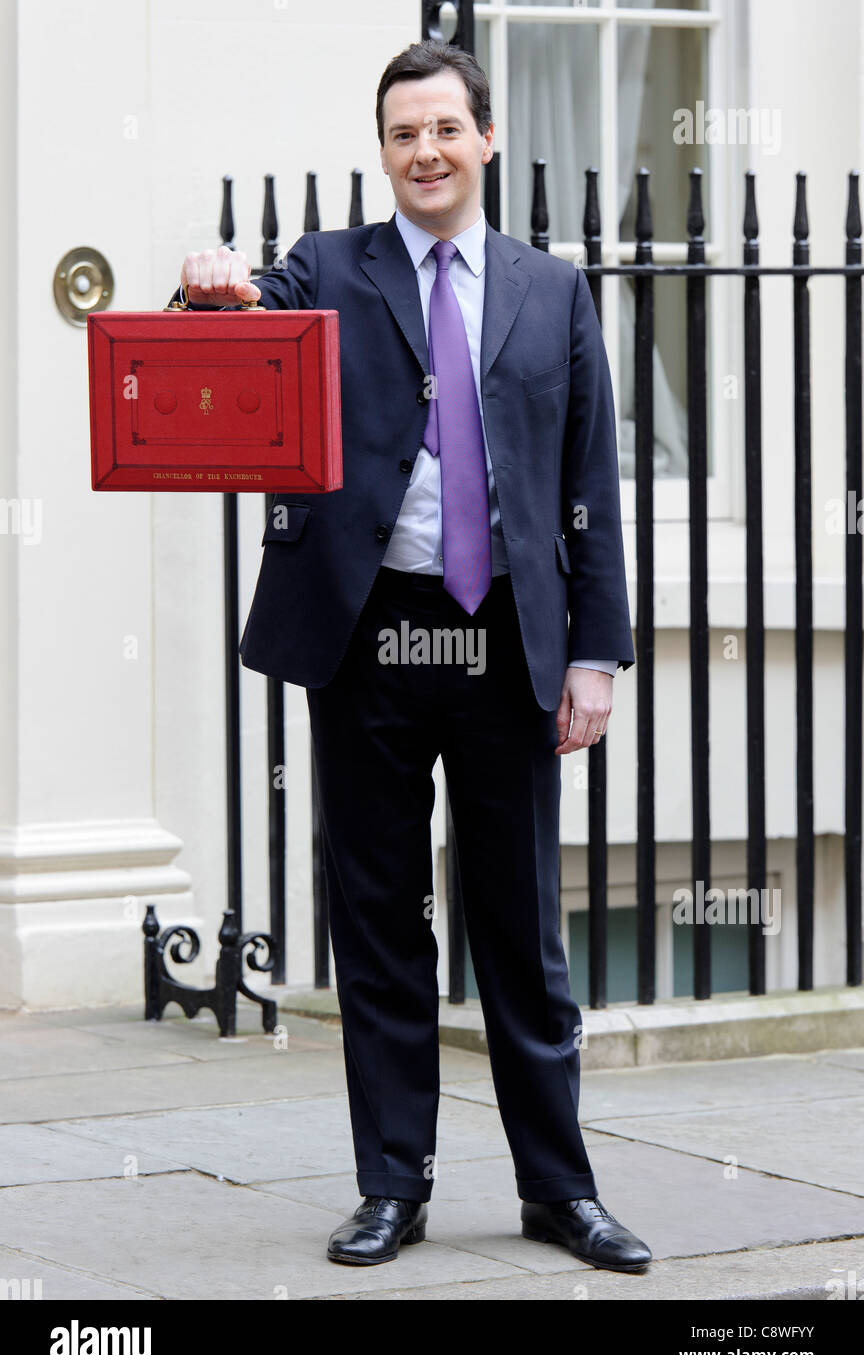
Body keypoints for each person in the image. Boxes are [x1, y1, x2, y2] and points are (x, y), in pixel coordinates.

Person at [175, 37, 651, 1274]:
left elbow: (585, 483)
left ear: (486, 138)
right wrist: (205, 287)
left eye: (444, 129)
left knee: (523, 937)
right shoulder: (327, 268)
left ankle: (560, 1190)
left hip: (508, 649)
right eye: (402, 134)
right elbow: (219, 357)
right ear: (382, 150)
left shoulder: (552, 292)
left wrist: (595, 655)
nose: (424, 152)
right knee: (382, 926)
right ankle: (395, 1187)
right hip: (371, 640)